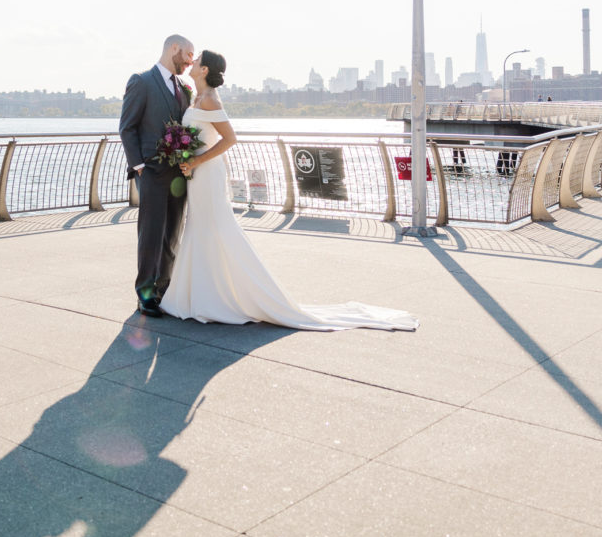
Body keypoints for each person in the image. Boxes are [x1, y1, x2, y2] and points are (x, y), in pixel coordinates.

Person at [160, 50, 418, 332]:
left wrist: (196, 159)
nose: (192, 63)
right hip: (195, 174)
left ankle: (219, 298)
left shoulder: (210, 100)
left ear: (205, 69)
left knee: (215, 229)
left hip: (207, 172)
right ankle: (196, 294)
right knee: (198, 228)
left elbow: (230, 138)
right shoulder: (195, 97)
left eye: (197, 61)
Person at [119, 34, 195, 316]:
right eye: (188, 54)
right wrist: (139, 167)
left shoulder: (184, 88)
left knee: (172, 234)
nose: (190, 61)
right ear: (173, 49)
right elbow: (127, 127)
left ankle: (165, 289)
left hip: (179, 174)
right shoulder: (141, 81)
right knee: (150, 234)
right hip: (151, 171)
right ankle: (146, 295)